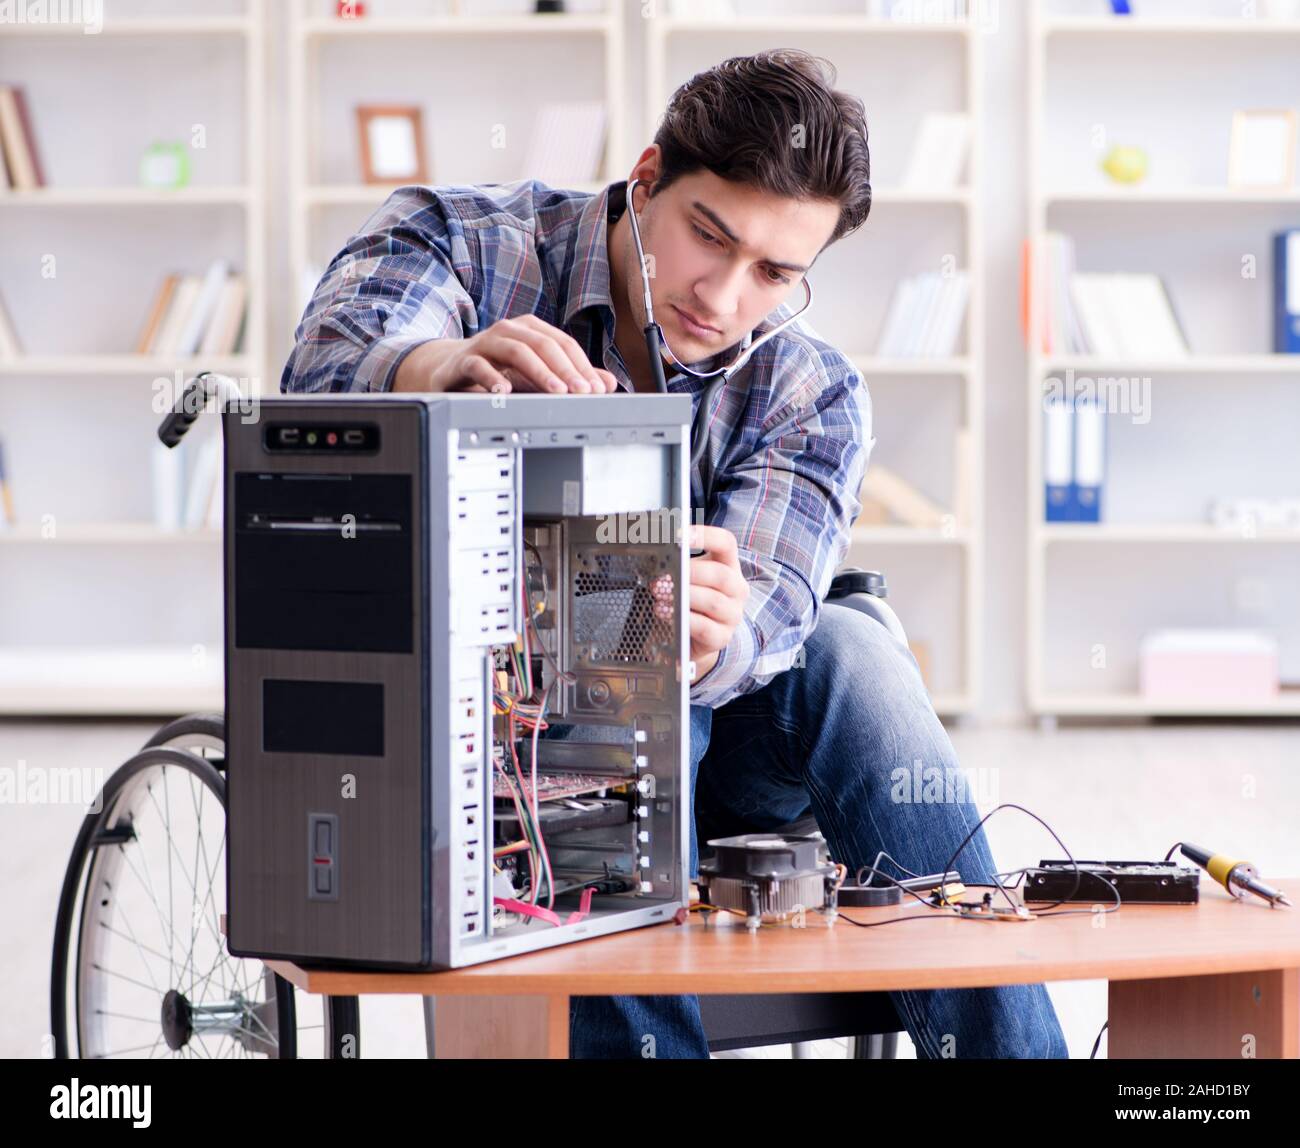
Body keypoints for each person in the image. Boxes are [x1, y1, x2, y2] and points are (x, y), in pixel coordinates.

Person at [282, 49, 1068, 1060]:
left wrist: (708, 629)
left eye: (776, 273)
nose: (724, 296)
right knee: (608, 635)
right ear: (646, 177)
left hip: (708, 754)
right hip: (466, 733)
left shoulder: (809, 387)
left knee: (842, 650)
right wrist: (436, 367)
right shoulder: (466, 240)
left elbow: (774, 610)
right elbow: (314, 379)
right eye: (708, 236)